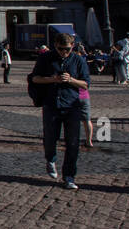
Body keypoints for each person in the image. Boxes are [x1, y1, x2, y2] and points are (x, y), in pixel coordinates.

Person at [31, 32, 91, 190]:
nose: (64, 52)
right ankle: (50, 159)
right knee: (50, 137)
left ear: (72, 46)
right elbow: (35, 78)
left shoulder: (78, 60)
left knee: (73, 143)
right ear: (55, 45)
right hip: (51, 104)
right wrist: (53, 79)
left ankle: (69, 176)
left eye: (67, 49)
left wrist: (70, 80)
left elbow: (86, 84)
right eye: (60, 49)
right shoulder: (45, 58)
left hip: (72, 105)